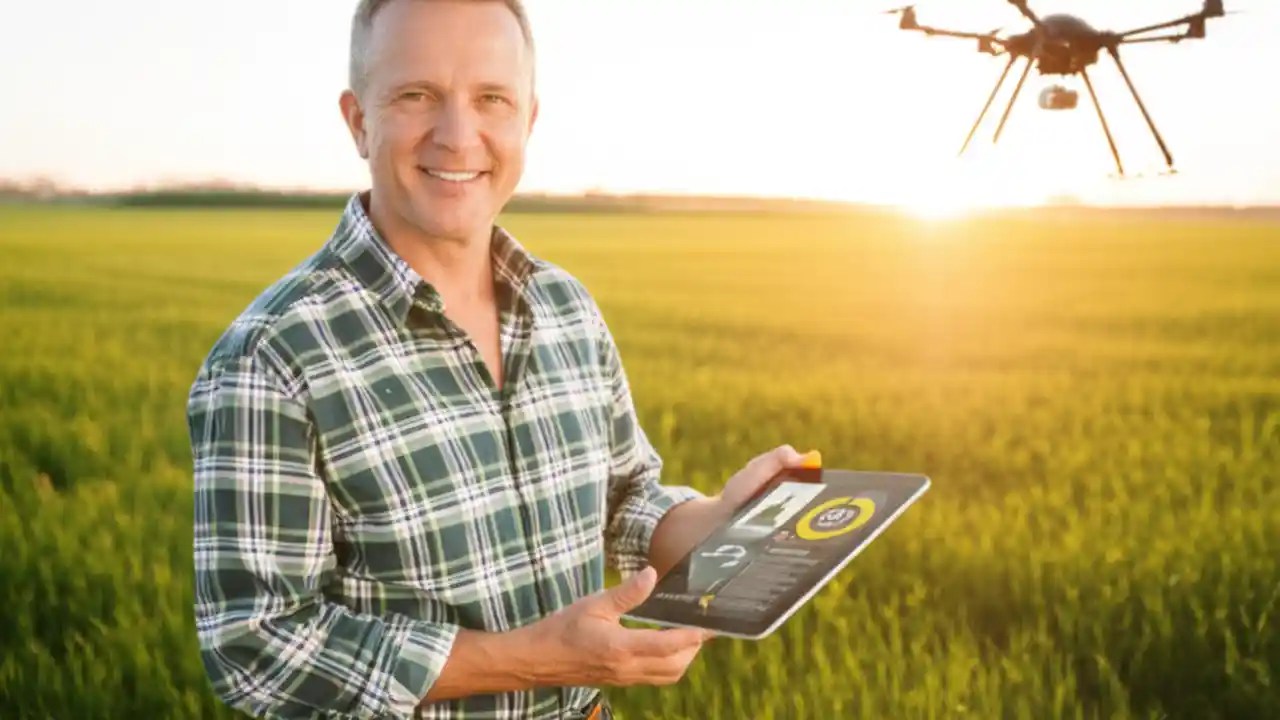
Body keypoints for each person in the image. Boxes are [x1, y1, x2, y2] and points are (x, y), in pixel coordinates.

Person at [186, 1, 818, 718]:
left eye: (491, 98)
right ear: (359, 120)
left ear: (528, 120)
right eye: (417, 94)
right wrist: (534, 660)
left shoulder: (565, 307)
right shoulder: (273, 356)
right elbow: (256, 646)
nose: (459, 136)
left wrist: (722, 519)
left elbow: (624, 502)